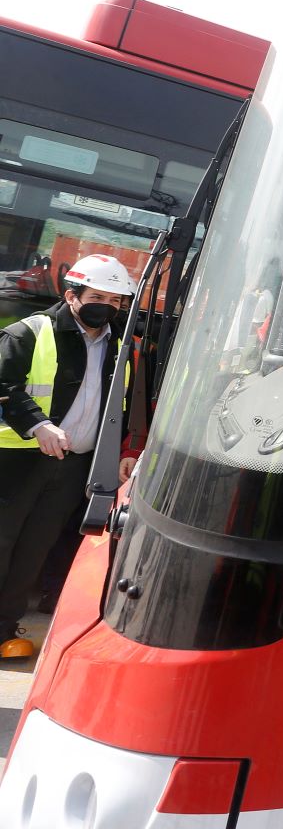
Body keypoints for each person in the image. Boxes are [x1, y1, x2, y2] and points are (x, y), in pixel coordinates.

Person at [0, 254, 137, 658]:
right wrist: (37, 424)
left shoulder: (120, 346)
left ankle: (5, 630)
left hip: (74, 465)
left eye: (115, 302)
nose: (107, 307)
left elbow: (123, 405)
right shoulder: (29, 332)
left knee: (34, 550)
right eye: (98, 297)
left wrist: (125, 449)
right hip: (16, 461)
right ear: (71, 295)